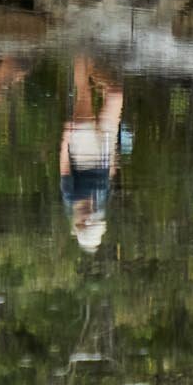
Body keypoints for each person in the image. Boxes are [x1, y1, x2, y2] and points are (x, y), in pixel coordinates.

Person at [59, 58, 125, 253]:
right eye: (93, 221)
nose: (90, 216)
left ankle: (81, 51)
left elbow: (64, 167)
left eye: (86, 222)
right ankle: (94, 66)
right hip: (105, 147)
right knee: (116, 94)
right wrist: (114, 154)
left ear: (79, 223)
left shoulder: (70, 196)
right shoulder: (101, 203)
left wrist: (66, 137)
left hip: (83, 151)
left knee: (84, 94)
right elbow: (108, 175)